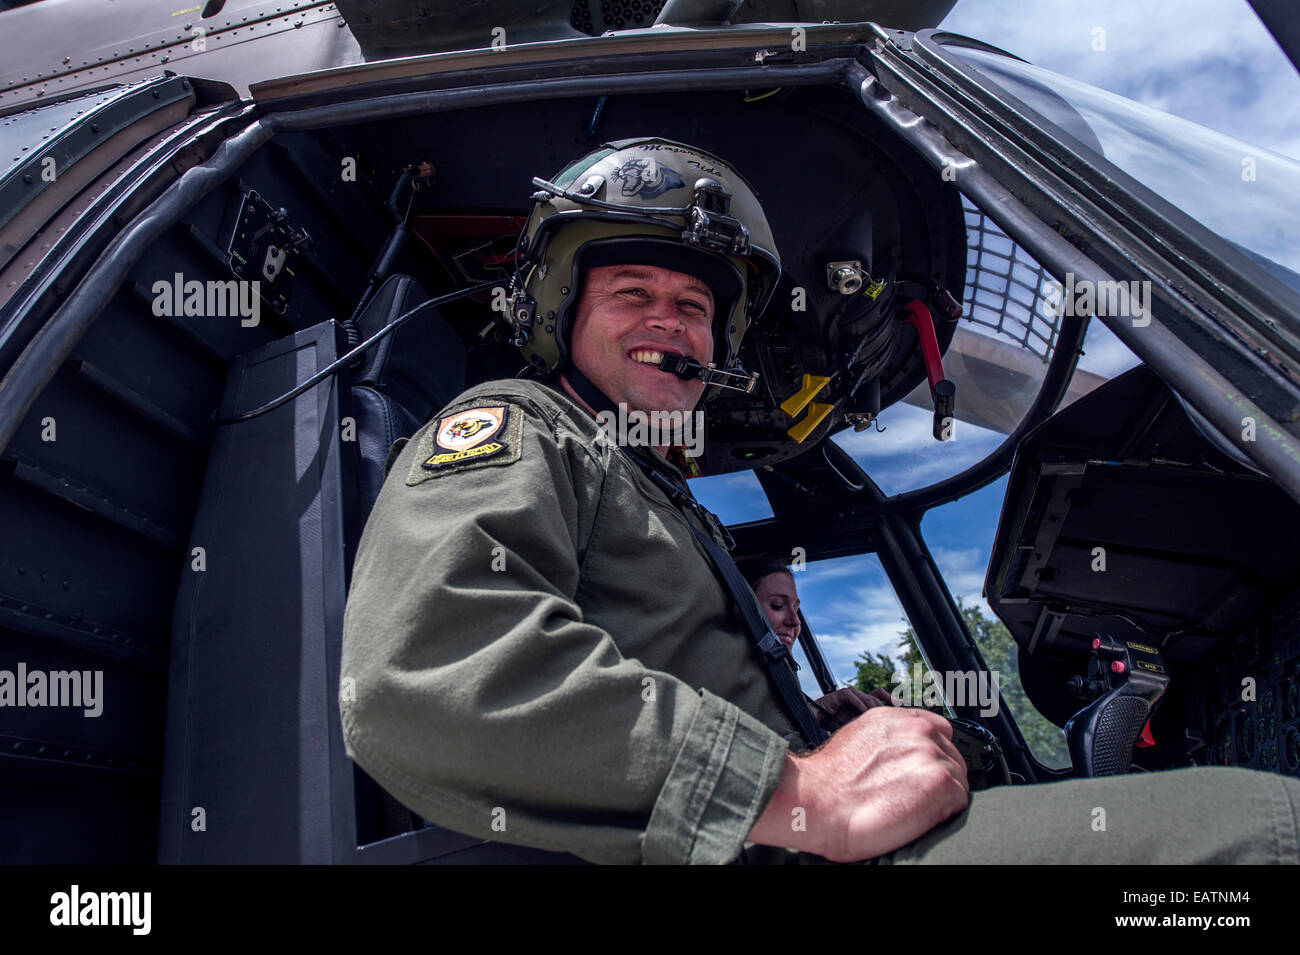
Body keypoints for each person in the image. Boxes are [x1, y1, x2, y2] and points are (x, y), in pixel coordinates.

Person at [340, 137, 1300, 865]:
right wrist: (799, 785)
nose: (669, 320)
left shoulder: (661, 492)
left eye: (694, 306)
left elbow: (677, 677)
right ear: (561, 312)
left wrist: (817, 720)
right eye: (631, 292)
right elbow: (429, 666)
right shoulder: (523, 425)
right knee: (1257, 836)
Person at [736, 555, 895, 732]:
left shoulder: (772, 678)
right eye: (777, 605)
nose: (795, 622)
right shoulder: (726, 678)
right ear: (741, 609)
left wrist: (829, 721)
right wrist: (816, 713)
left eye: (796, 609)